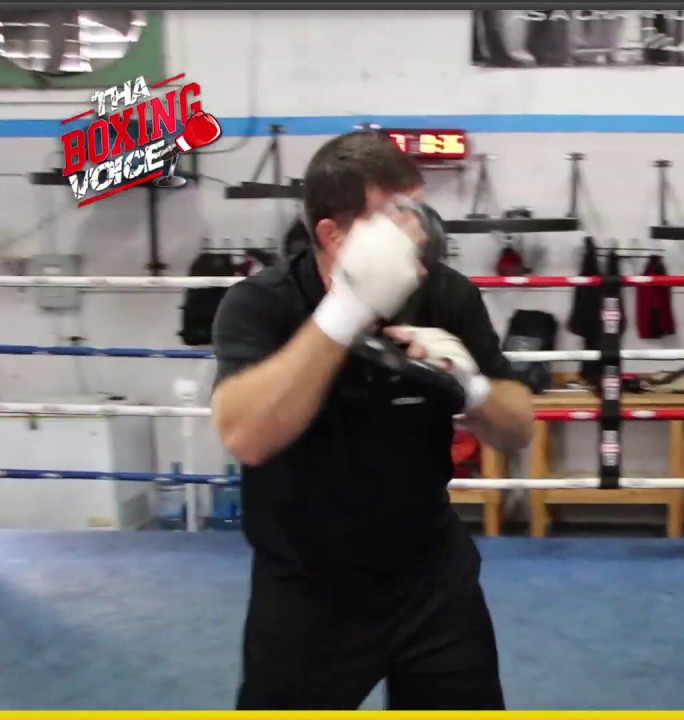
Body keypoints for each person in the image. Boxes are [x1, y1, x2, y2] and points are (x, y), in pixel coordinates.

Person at [211, 131, 535, 710]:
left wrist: (474, 389)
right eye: (395, 219)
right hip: (308, 588)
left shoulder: (445, 295)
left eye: (420, 214)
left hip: (431, 577)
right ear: (332, 234)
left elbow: (519, 429)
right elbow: (246, 437)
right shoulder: (264, 305)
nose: (417, 234)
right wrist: (348, 309)